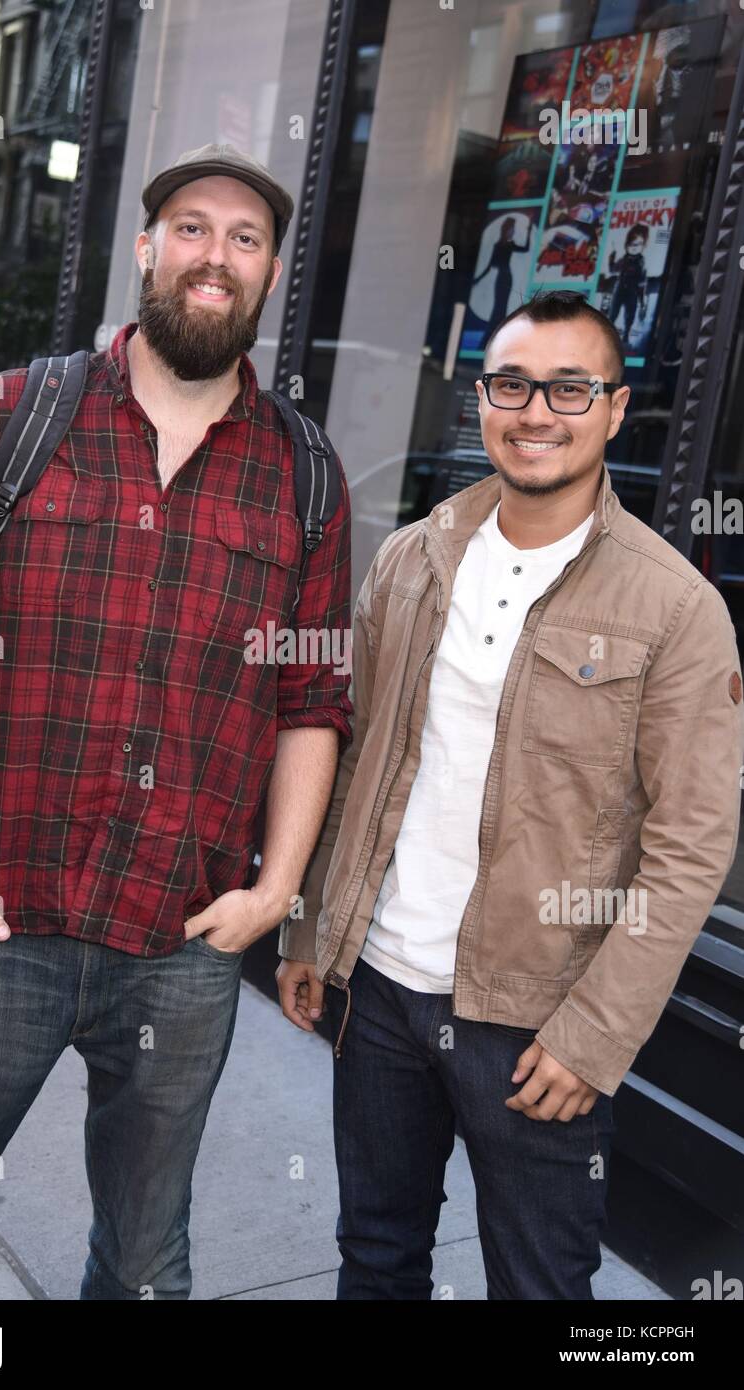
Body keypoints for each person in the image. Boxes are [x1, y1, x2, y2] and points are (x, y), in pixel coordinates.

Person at [0, 143, 353, 1301]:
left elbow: (310, 695)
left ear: (269, 273)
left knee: (142, 1265)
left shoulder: (305, 478)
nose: (212, 256)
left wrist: (276, 890)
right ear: (145, 248)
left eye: (242, 238)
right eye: (189, 227)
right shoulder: (11, 417)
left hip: (182, 938)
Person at [277, 288, 743, 1300]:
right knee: (376, 1255)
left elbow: (687, 847)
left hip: (536, 1027)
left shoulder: (673, 606)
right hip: (381, 993)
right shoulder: (411, 558)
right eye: (511, 383)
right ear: (480, 399)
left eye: (570, 387)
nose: (536, 410)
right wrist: (312, 930)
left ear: (615, 410)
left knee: (539, 1287)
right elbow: (356, 765)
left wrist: (594, 1035)